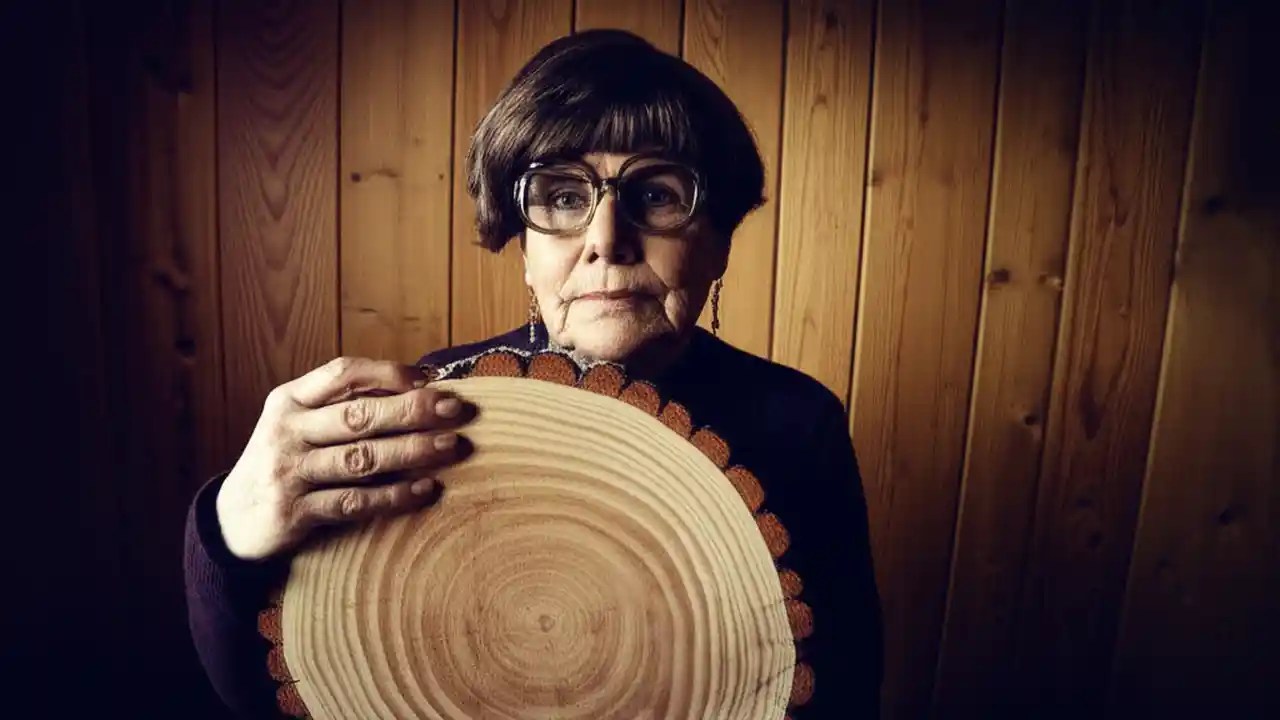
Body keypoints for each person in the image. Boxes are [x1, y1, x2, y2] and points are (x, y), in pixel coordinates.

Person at [184, 29, 882, 719]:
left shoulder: (798, 422)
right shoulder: (432, 411)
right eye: (563, 197)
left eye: (659, 195)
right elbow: (265, 689)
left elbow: (846, 687)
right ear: (523, 247)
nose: (606, 239)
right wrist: (228, 530)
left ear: (718, 244)